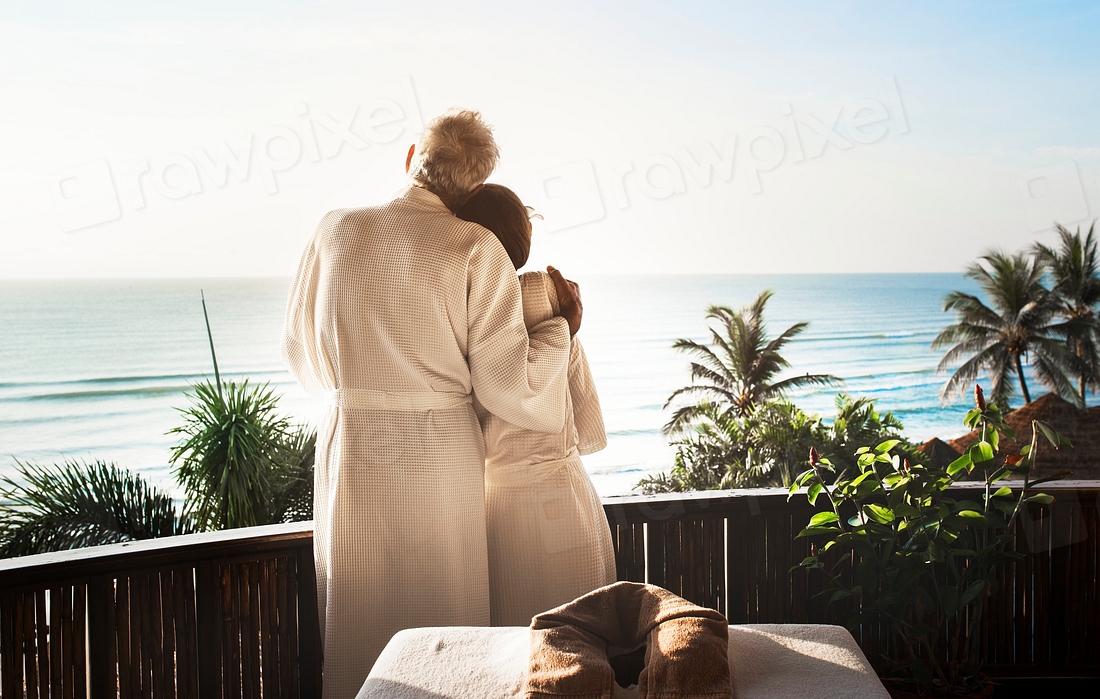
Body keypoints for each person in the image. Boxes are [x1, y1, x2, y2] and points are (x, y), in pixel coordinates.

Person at [281, 110, 583, 698]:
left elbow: (299, 348)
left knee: (357, 609)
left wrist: (358, 395)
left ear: (411, 154)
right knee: (447, 618)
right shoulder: (477, 247)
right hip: (441, 458)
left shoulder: (335, 229)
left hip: (355, 449)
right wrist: (560, 330)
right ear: (475, 188)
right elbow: (507, 390)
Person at [455, 184, 616, 626]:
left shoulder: (475, 300)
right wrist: (567, 325)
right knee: (581, 646)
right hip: (560, 495)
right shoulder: (540, 295)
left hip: (504, 504)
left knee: (522, 656)